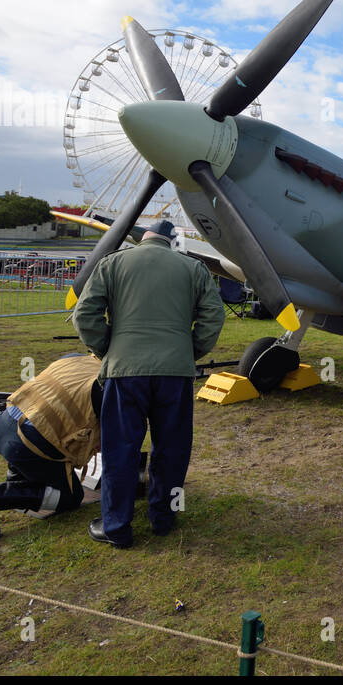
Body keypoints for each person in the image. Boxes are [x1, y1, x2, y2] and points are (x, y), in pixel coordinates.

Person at [73, 220, 225, 548]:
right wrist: (188, 351)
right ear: (172, 242)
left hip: (124, 371)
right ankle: (164, 517)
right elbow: (214, 317)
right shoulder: (193, 268)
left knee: (120, 450)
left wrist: (108, 350)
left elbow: (84, 315)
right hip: (175, 372)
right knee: (172, 448)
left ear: (144, 239)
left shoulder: (112, 263)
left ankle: (116, 526)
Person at [0, 353, 102, 540]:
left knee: (35, 471)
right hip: (27, 445)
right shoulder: (104, 384)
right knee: (71, 497)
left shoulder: (76, 358)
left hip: (0, 425)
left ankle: (16, 482)